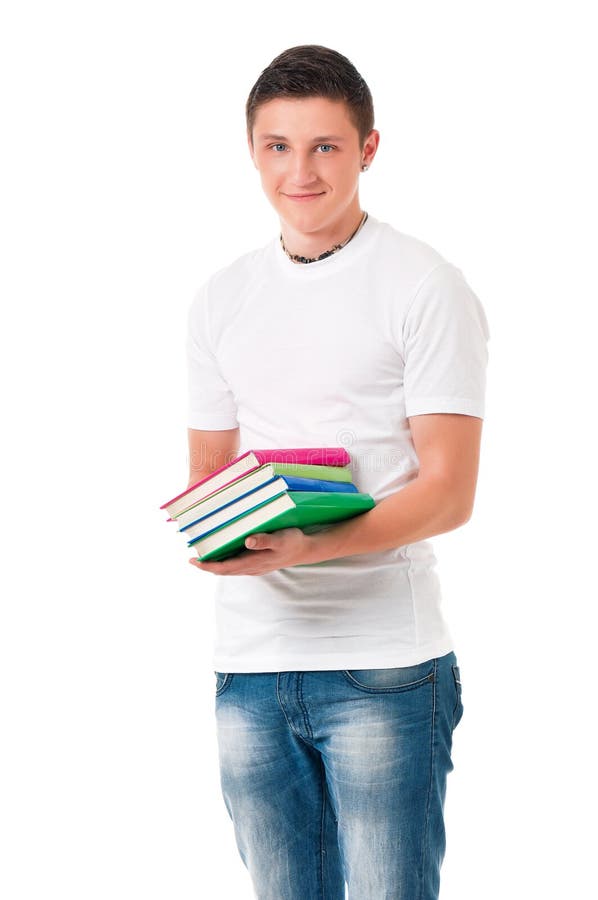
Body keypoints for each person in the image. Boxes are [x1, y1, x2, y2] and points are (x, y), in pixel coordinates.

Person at [185, 44, 489, 900]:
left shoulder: (422, 284)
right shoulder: (221, 297)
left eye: (325, 146)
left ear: (368, 149)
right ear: (253, 152)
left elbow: (449, 492)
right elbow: (210, 477)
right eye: (279, 146)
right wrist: (215, 537)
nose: (301, 170)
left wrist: (302, 548)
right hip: (250, 664)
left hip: (383, 669)